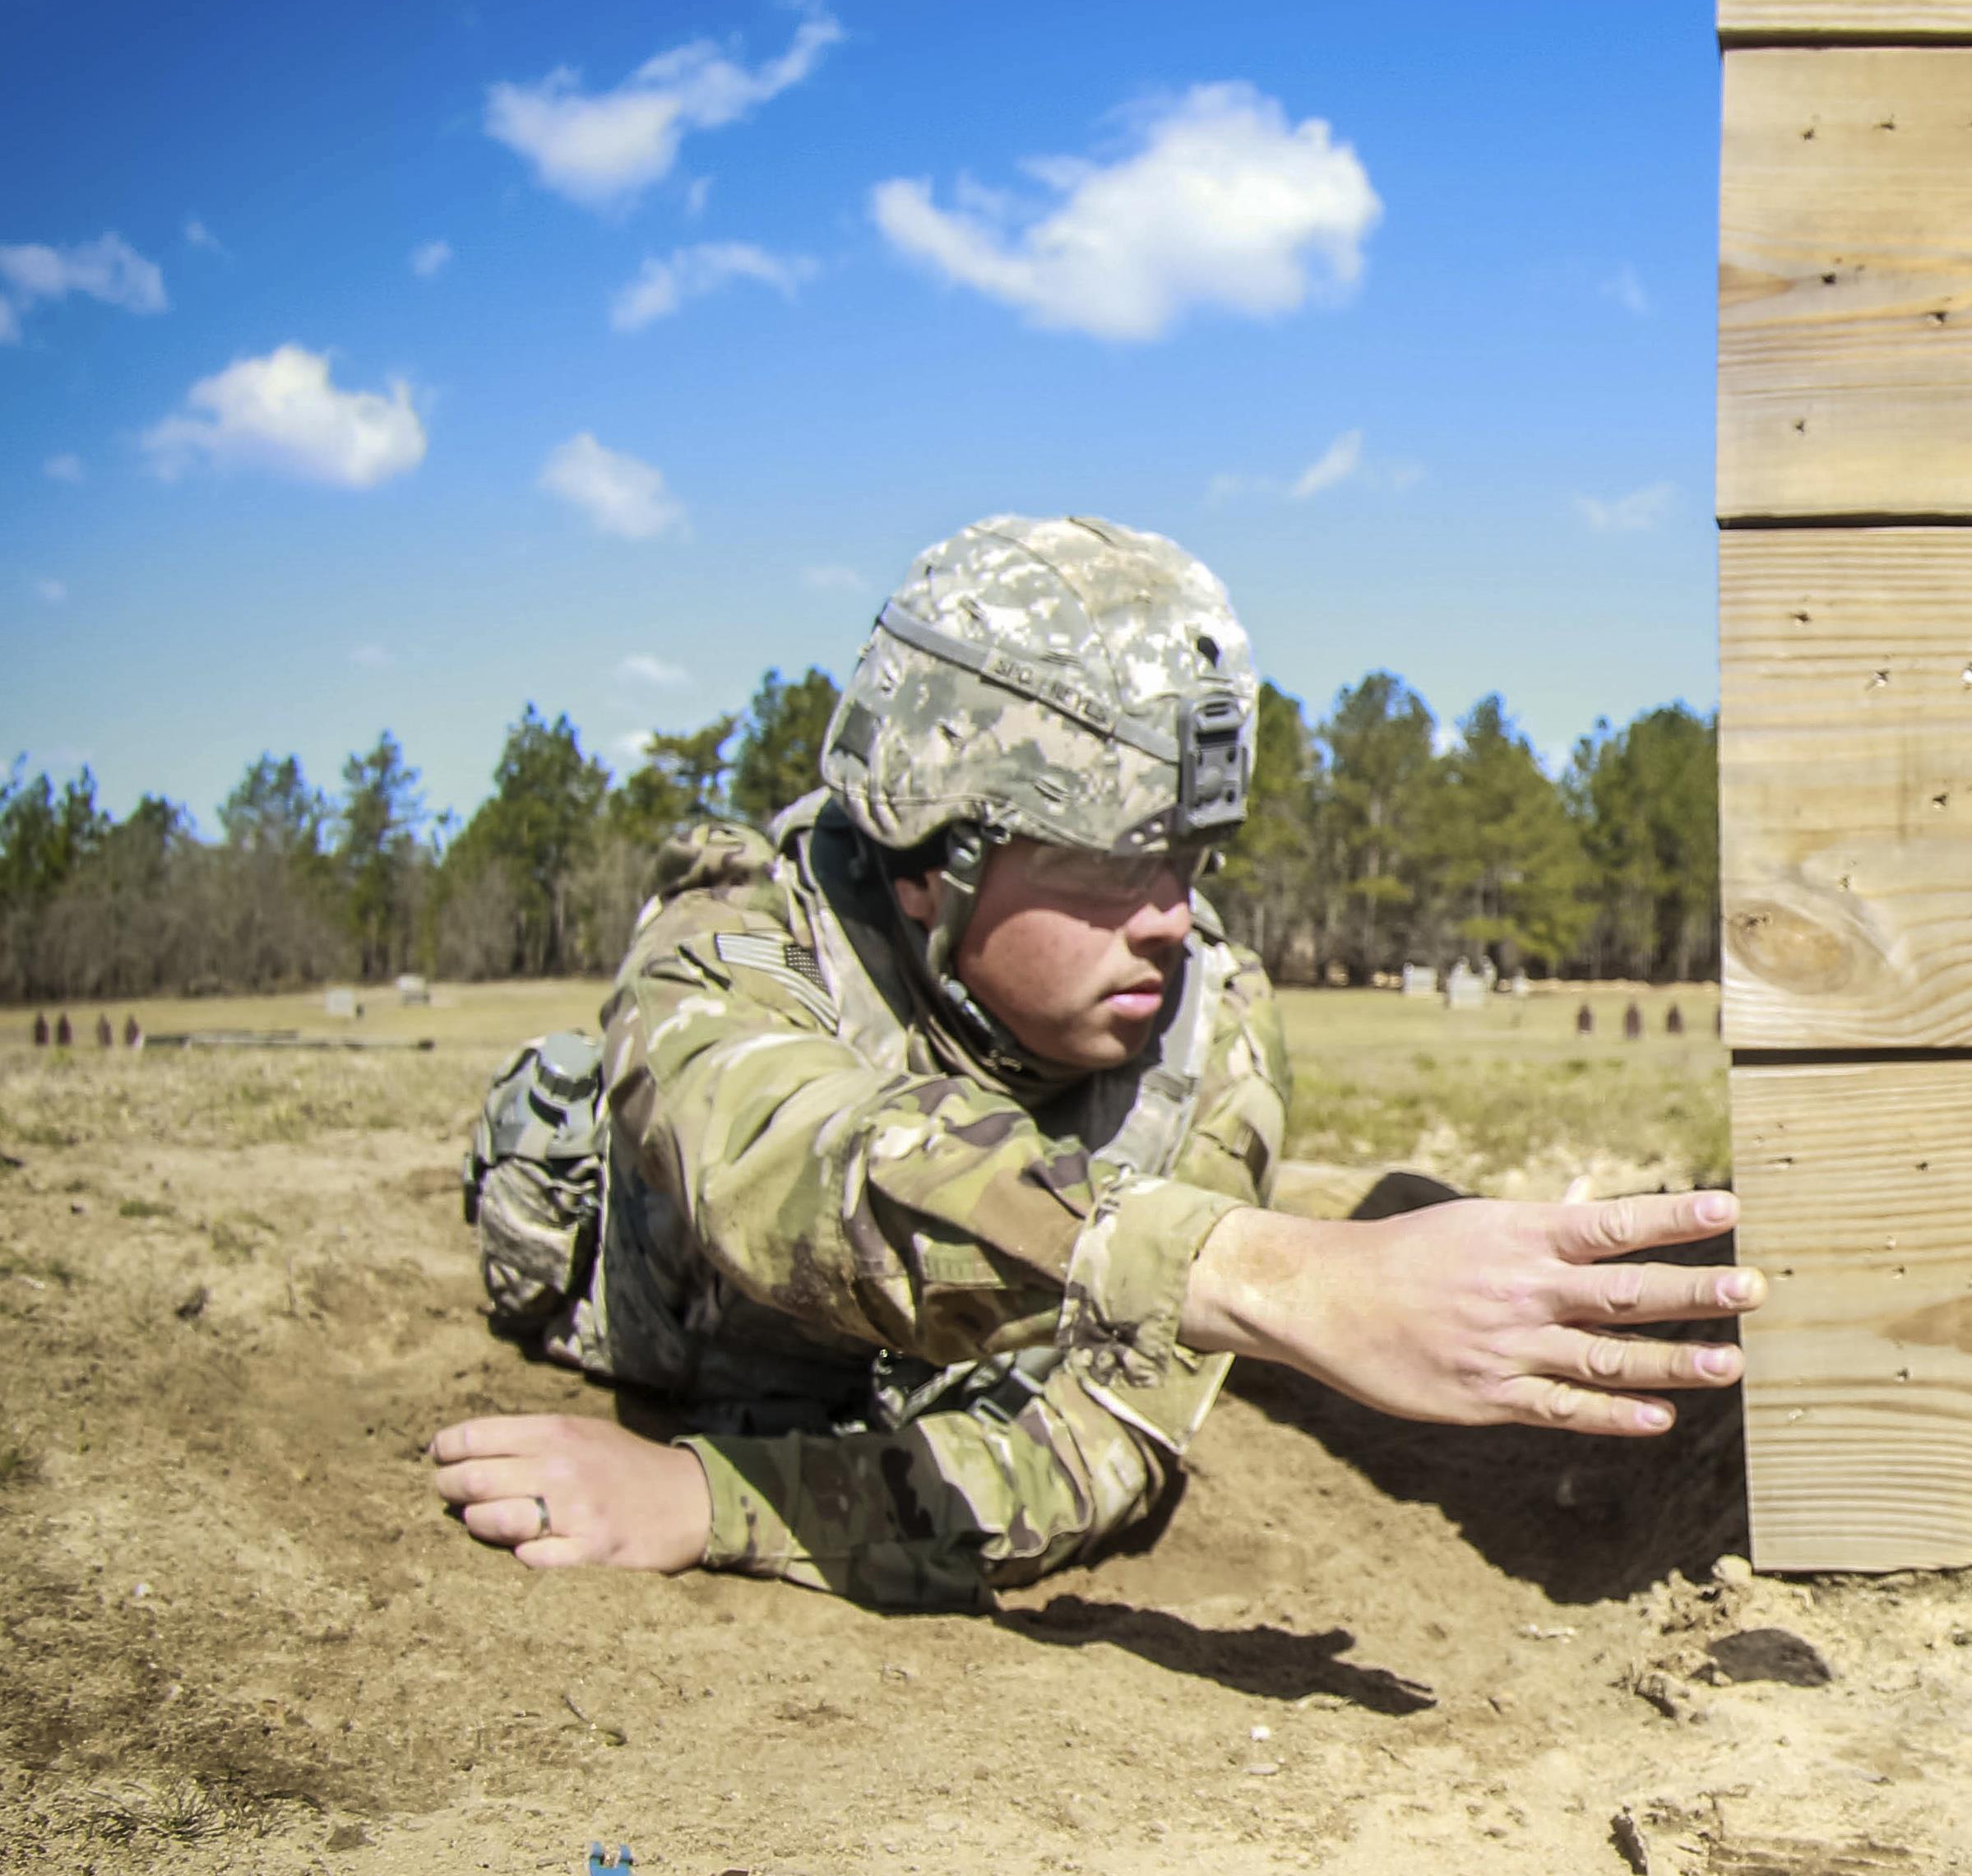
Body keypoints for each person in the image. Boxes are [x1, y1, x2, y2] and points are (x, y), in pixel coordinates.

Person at [426, 514, 1752, 1605]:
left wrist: (714, 1502)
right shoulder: (730, 955)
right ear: (929, 863)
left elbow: (1097, 1445)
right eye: (1118, 865)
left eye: (1188, 861)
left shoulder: (1207, 1027)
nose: (1170, 915)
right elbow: (796, 1177)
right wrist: (1280, 1274)